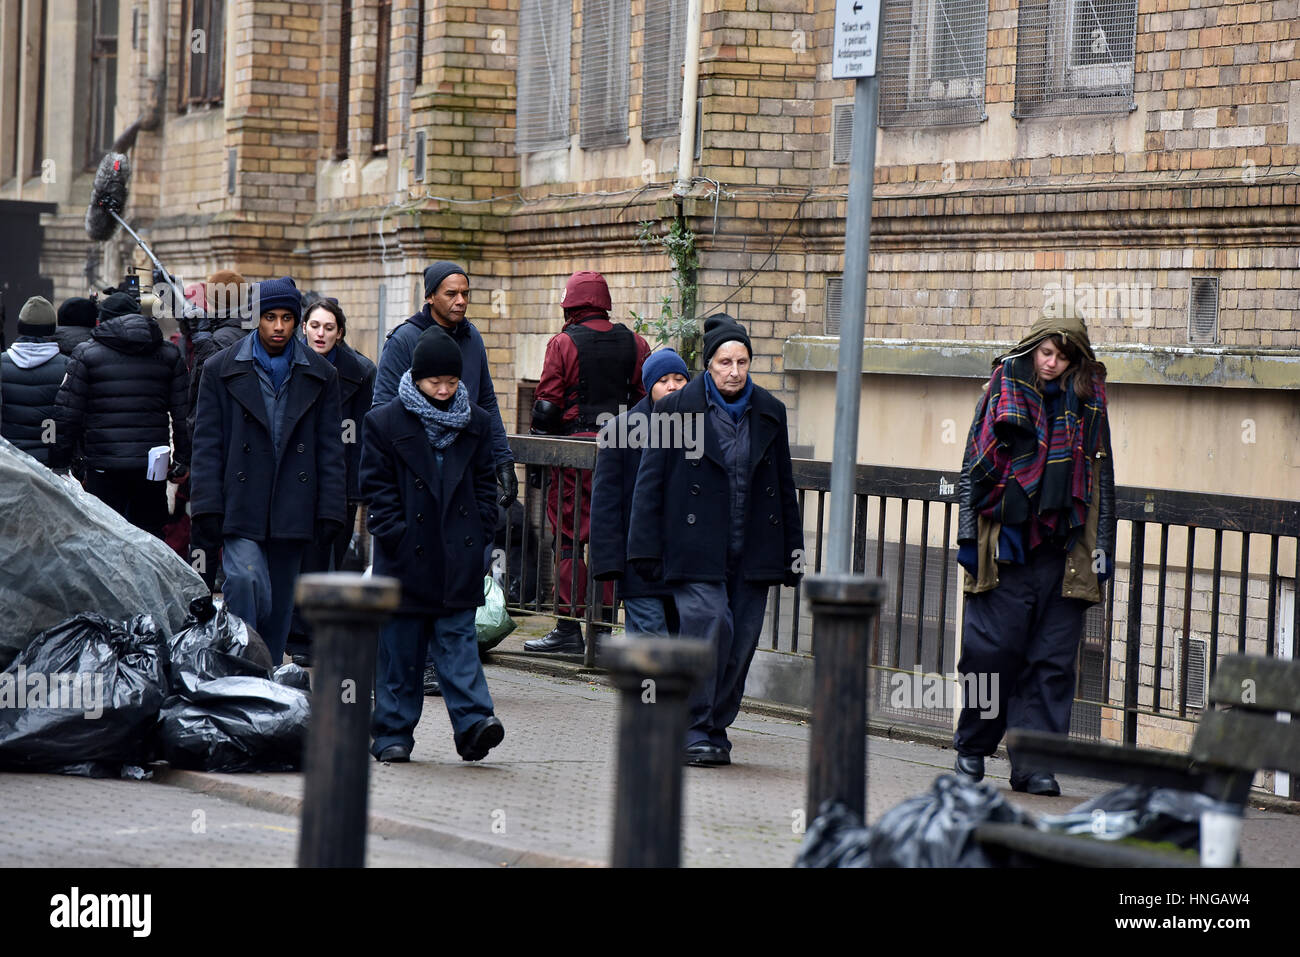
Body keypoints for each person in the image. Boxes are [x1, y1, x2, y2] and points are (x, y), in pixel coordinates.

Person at [952, 303, 1115, 796]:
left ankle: (1033, 763)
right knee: (990, 654)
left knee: (1051, 662)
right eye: (1046, 352)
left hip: (1063, 553)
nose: (1052, 363)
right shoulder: (1000, 392)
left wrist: (1102, 546)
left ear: (1076, 361)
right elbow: (970, 471)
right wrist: (966, 537)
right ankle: (972, 750)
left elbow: (1103, 481)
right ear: (1032, 349)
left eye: (1063, 357)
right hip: (1006, 548)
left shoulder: (1090, 405)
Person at [627, 315, 803, 766]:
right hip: (693, 548)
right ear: (709, 365)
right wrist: (642, 549)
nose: (734, 371)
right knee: (711, 627)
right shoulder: (674, 410)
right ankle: (693, 725)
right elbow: (650, 482)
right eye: (725, 361)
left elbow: (784, 488)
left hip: (754, 549)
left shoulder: (770, 411)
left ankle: (714, 726)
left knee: (740, 645)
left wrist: (793, 555)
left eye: (742, 361)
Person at [361, 326, 504, 763]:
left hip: (456, 556)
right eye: (434, 382)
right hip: (405, 557)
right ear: (416, 378)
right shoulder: (384, 422)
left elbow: (484, 487)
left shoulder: (475, 423)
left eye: (452, 382)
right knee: (400, 653)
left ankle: (476, 724)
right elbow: (375, 489)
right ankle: (392, 733)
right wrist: (397, 534)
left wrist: (480, 536)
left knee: (458, 645)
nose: (443, 391)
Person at [189, 276, 346, 665]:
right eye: (270, 317)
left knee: (278, 604)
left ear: (296, 321)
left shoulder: (321, 375)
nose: (279, 327)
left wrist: (330, 509)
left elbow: (330, 448)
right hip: (241, 502)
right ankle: (242, 666)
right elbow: (207, 443)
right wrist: (206, 505)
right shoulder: (220, 368)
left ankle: (267, 679)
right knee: (244, 579)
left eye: (287, 318)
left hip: (293, 504)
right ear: (255, 318)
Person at [525, 270, 651, 654]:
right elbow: (646, 400)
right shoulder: (636, 343)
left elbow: (547, 406)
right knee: (608, 538)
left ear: (572, 304)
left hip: (574, 457)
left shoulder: (562, 343)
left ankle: (567, 628)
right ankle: (603, 633)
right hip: (622, 453)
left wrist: (537, 455)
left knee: (568, 540)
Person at [372, 261, 516, 505]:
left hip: (464, 466)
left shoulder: (473, 338)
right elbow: (382, 409)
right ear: (430, 296)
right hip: (415, 470)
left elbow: (487, 401)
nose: (460, 300)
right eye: (451, 294)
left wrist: (502, 458)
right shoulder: (403, 340)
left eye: (465, 293)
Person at [51, 290, 190, 538]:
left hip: (103, 463)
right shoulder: (169, 354)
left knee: (104, 537)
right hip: (151, 465)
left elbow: (66, 414)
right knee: (150, 538)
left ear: (101, 320)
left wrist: (60, 464)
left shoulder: (86, 354)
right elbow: (183, 414)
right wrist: (182, 460)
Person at [285, 297, 376, 665]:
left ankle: (316, 634)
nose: (320, 333)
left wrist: (360, 485)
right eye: (315, 326)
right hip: (295, 478)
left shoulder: (361, 373)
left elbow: (366, 433)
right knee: (297, 555)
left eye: (329, 327)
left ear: (340, 333)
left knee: (329, 556)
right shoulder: (287, 365)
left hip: (340, 480)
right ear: (304, 327)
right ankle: (296, 634)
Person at [590, 347, 689, 637]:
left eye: (679, 379)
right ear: (649, 386)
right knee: (651, 643)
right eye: (664, 380)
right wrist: (609, 563)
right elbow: (606, 502)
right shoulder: (620, 430)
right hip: (638, 563)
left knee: (678, 646)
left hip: (683, 565)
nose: (672, 386)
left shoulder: (700, 426)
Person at [1, 297, 68, 467]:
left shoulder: (2, 363)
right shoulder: (67, 365)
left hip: (9, 460)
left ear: (20, 327)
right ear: (52, 328)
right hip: (50, 460)